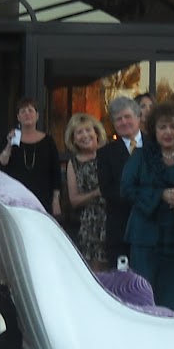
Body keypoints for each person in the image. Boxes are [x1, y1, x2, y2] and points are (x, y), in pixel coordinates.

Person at [119, 99, 174, 312]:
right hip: (147, 240)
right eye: (162, 127)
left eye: (173, 127)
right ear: (153, 130)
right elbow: (126, 189)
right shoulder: (140, 156)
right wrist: (161, 195)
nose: (168, 132)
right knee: (147, 298)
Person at [96, 96, 143, 268]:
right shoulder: (105, 154)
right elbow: (107, 189)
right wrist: (143, 198)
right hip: (120, 230)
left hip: (153, 229)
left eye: (127, 117)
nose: (124, 122)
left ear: (138, 117)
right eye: (118, 119)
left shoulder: (155, 146)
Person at [0, 97, 61, 216]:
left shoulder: (48, 141)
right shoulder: (11, 139)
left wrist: (56, 200)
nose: (27, 113)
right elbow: (1, 163)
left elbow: (56, 173)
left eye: (30, 110)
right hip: (16, 199)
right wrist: (9, 145)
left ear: (37, 116)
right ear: (18, 117)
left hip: (42, 200)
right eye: (23, 111)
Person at [63, 111, 107, 269]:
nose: (85, 135)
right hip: (90, 225)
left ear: (96, 133)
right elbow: (74, 200)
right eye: (79, 132)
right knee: (94, 275)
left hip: (113, 221)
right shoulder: (72, 163)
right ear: (73, 139)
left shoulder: (108, 155)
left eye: (88, 130)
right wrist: (97, 192)